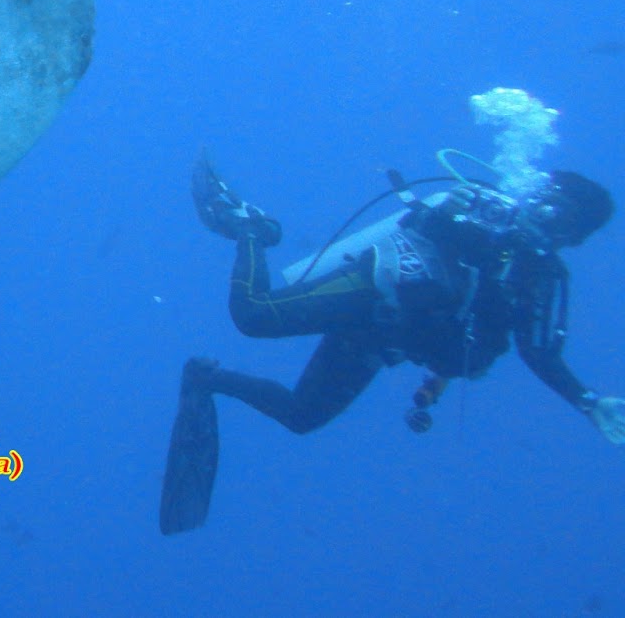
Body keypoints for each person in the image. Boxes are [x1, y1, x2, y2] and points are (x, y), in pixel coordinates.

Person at [160, 152, 625, 535]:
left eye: (570, 224)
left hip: (380, 337)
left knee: (303, 416)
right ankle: (248, 227)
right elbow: (434, 222)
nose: (556, 223)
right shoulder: (492, 212)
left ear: (576, 238)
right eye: (558, 208)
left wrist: (588, 401)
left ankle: (205, 377)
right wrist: (483, 231)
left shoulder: (541, 278)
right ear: (545, 196)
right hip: (377, 286)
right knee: (255, 315)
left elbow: (538, 352)